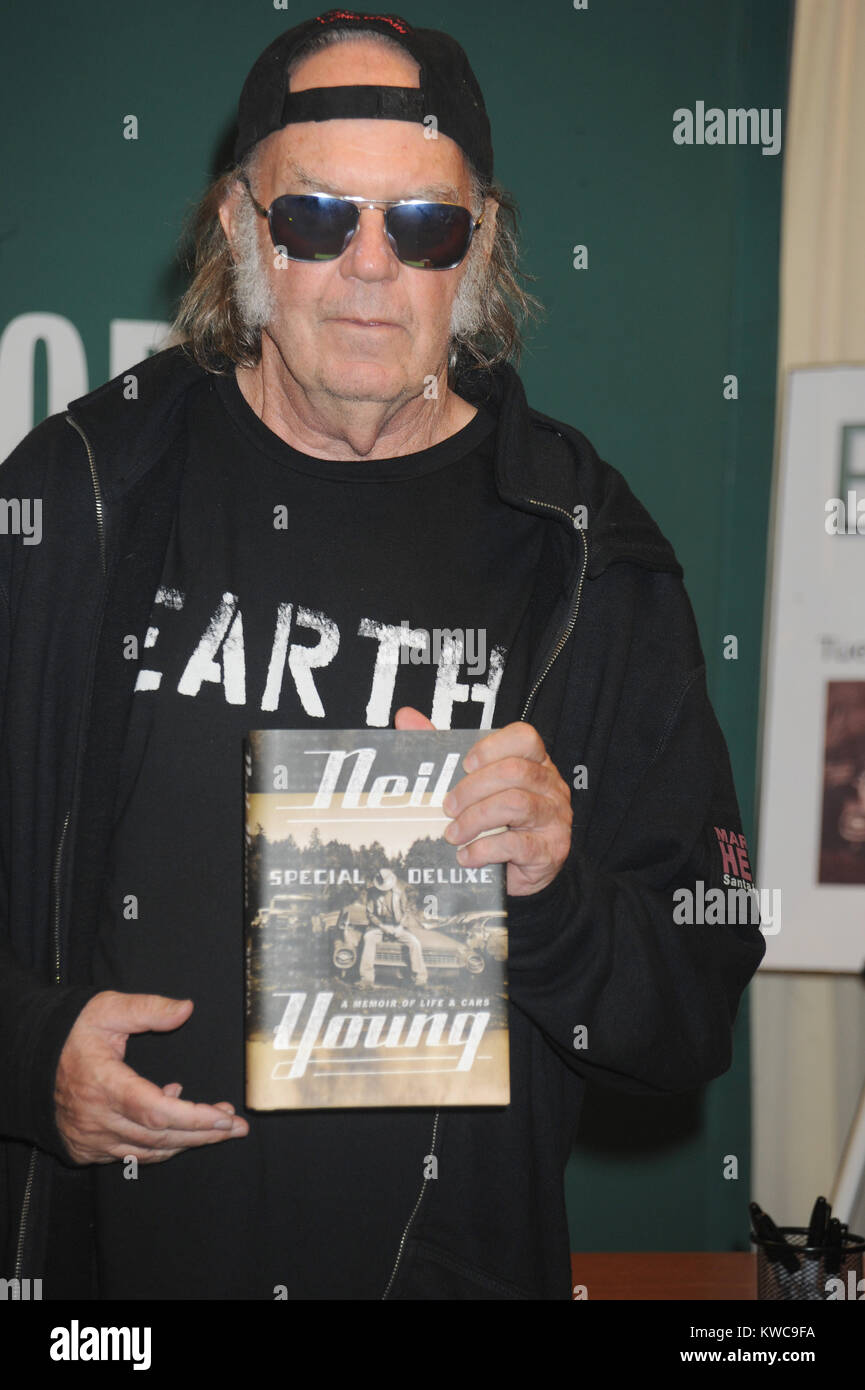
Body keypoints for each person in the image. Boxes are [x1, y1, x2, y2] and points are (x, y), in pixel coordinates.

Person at [0, 10, 766, 1301]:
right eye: (315, 218)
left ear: (478, 252)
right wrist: (26, 1053)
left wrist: (557, 890)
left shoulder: (583, 548)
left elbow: (688, 1013)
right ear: (242, 232)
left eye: (422, 225)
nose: (368, 266)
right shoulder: (77, 496)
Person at [358, 868, 428, 988]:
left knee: (415, 943)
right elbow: (370, 914)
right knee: (368, 938)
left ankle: (420, 979)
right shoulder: (372, 893)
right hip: (379, 927)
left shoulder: (400, 892)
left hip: (398, 927)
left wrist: (400, 927)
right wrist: (382, 927)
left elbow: (406, 912)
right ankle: (367, 979)